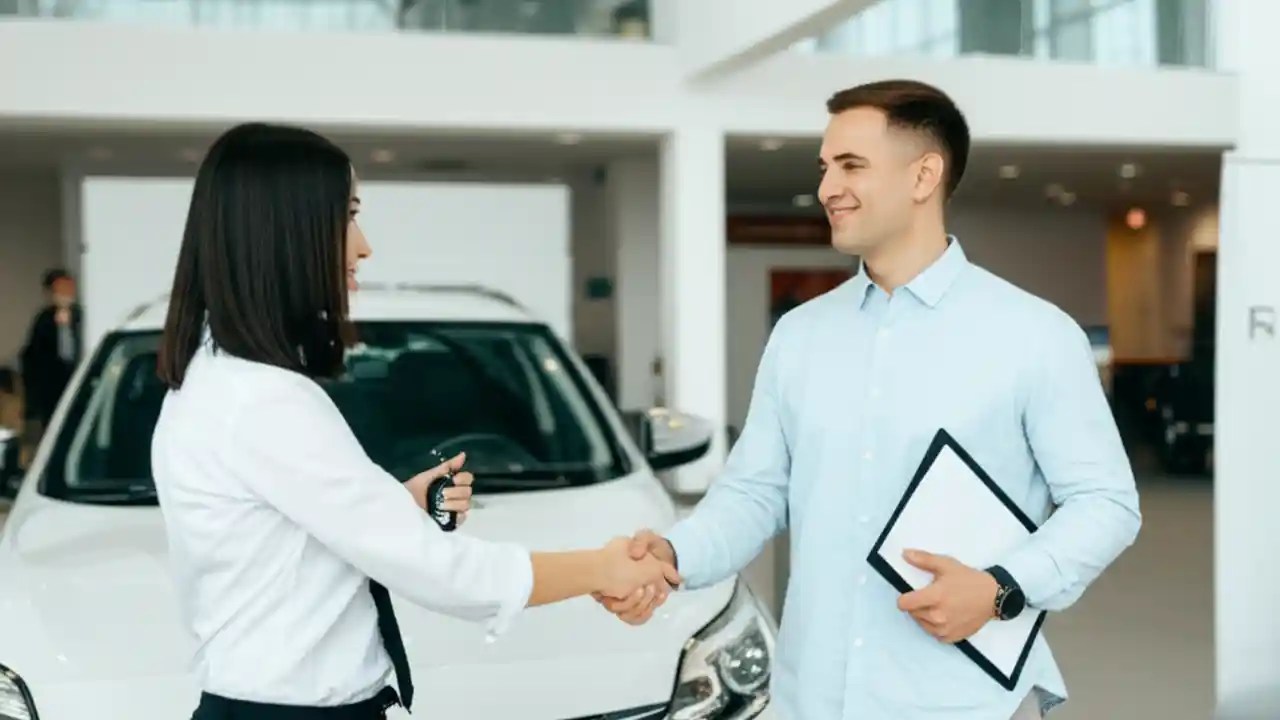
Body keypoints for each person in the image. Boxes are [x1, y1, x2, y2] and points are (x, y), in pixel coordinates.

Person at [599, 80, 1142, 719]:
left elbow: (1106, 503)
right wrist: (674, 555)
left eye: (852, 165)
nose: (828, 187)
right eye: (825, 167)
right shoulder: (800, 335)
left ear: (924, 176)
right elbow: (756, 492)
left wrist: (1003, 588)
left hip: (961, 701)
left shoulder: (1034, 334)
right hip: (812, 696)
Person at [151, 123, 678, 720]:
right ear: (286, 233)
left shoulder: (217, 381)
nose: (363, 244)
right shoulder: (264, 402)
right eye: (347, 216)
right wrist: (601, 566)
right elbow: (444, 573)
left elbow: (287, 542)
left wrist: (397, 503)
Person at [18, 268, 82, 445]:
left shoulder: (81, 316)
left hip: (79, 382)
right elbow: (34, 357)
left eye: (68, 289)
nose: (65, 294)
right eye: (59, 290)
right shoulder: (44, 320)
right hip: (52, 389)